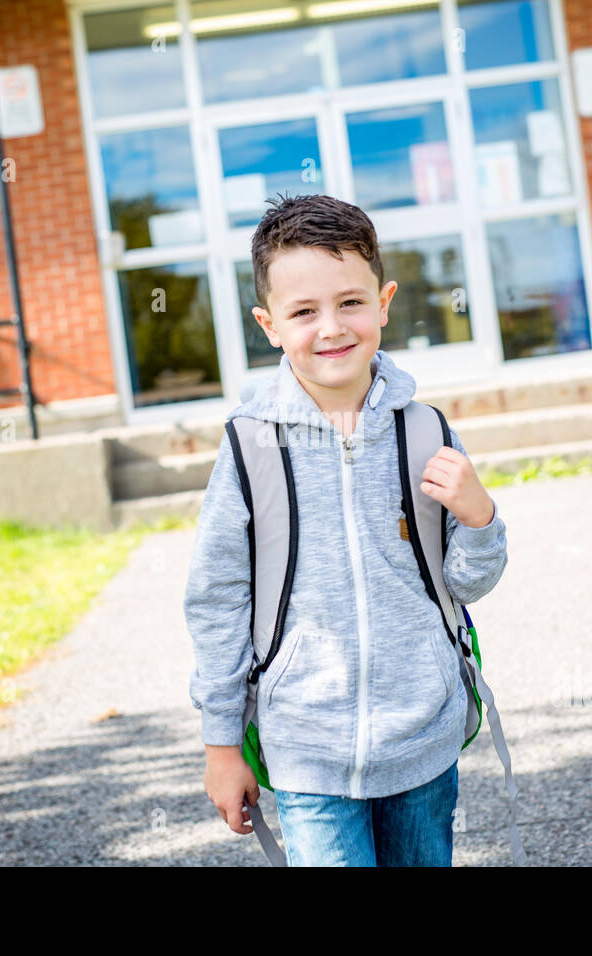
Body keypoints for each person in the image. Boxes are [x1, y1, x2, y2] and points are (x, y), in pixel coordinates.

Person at [183, 192, 509, 866]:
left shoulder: (424, 431)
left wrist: (480, 518)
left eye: (351, 302)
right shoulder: (250, 448)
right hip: (306, 749)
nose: (331, 327)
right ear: (268, 323)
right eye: (303, 312)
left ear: (384, 302)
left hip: (422, 738)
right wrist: (221, 743)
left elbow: (465, 582)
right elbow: (217, 601)